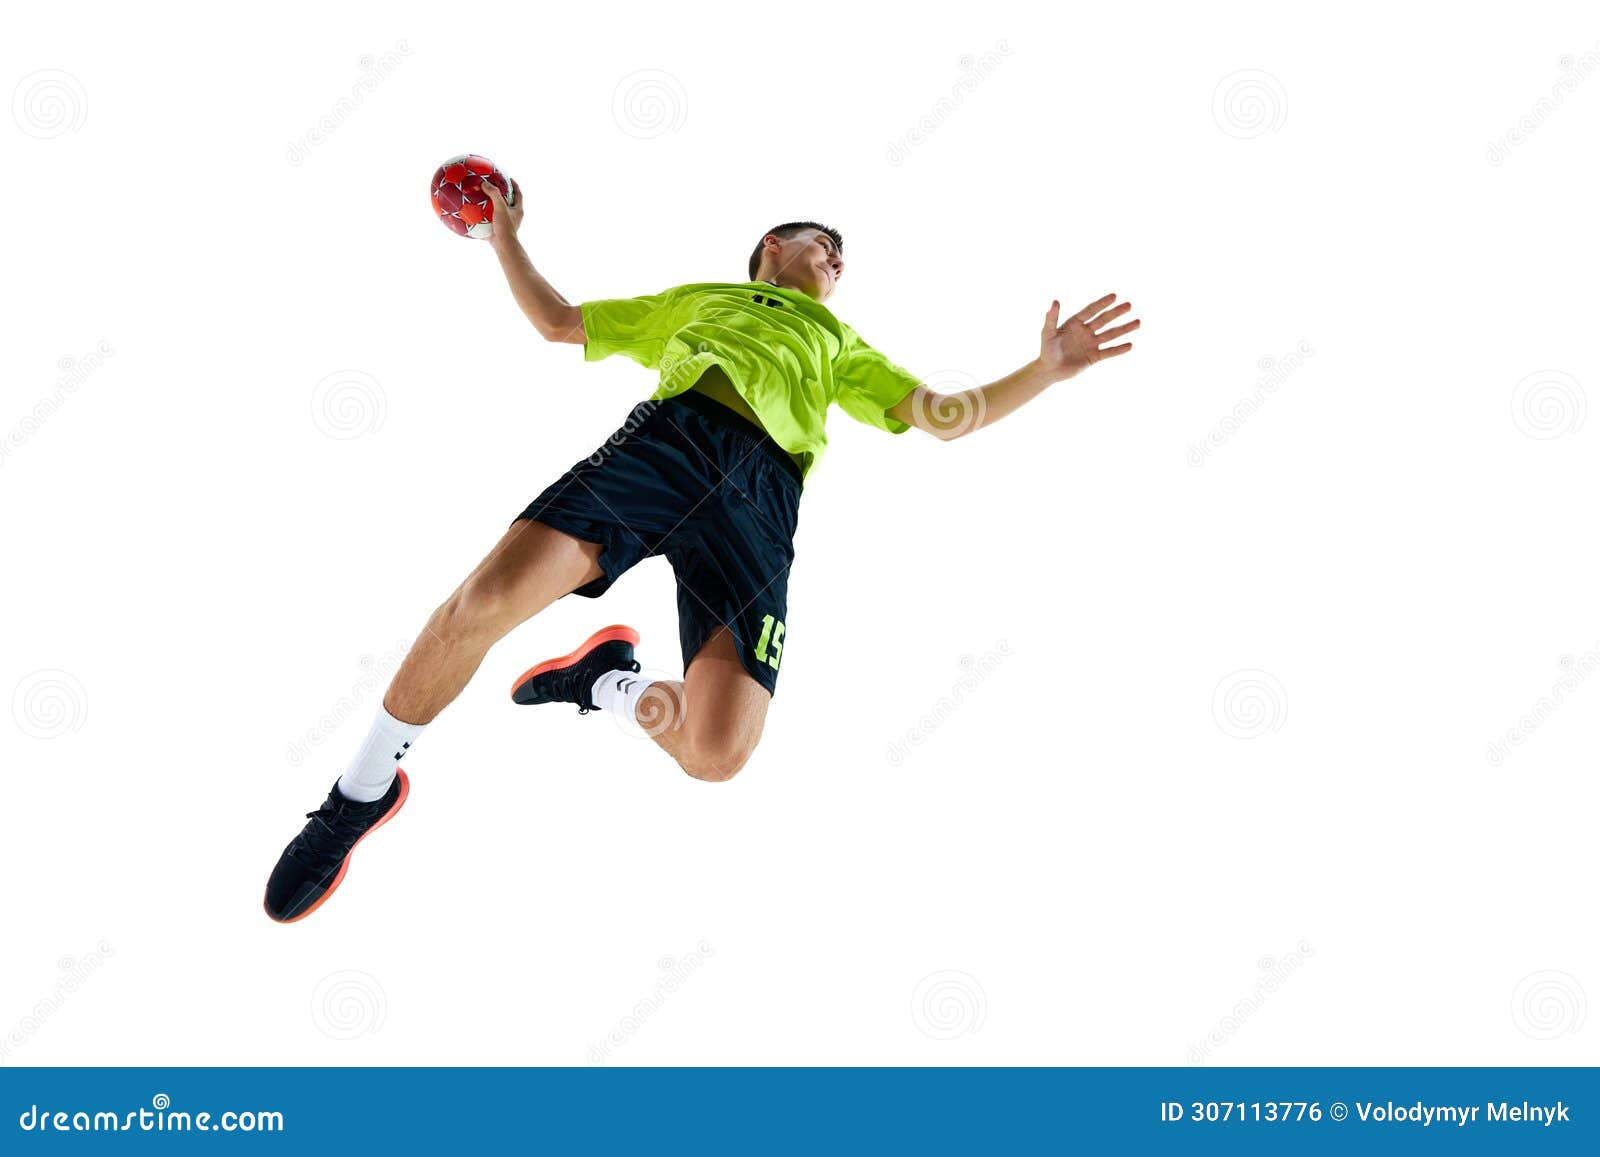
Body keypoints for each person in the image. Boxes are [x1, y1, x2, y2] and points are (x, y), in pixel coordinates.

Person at [263, 184, 1139, 922]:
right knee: (477, 609)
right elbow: (559, 321)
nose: (837, 257)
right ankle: (361, 793)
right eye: (822, 242)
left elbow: (946, 418)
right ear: (770, 247)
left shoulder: (839, 344)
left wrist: (1046, 370)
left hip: (761, 503)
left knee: (716, 753)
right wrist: (505, 238)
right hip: (665, 449)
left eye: (843, 257)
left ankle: (605, 681)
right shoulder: (703, 300)